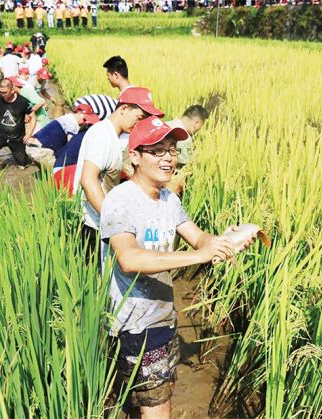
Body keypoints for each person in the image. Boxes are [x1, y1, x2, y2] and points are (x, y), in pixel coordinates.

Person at [100, 116, 248, 418]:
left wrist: (222, 242)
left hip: (163, 318)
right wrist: (199, 256)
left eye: (172, 149)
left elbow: (197, 237)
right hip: (135, 325)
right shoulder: (120, 200)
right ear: (136, 156)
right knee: (158, 410)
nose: (168, 157)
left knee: (143, 400)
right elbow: (129, 260)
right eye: (158, 150)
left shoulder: (169, 199)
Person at [73, 87, 163, 254]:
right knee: (95, 275)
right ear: (124, 109)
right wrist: (112, 220)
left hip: (99, 222)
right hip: (92, 224)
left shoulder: (112, 136)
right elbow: (88, 179)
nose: (139, 124)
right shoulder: (103, 134)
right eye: (139, 118)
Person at [28, 103, 99, 152]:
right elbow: (71, 146)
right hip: (40, 150)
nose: (84, 122)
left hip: (31, 145)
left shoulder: (66, 117)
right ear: (79, 113)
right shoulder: (72, 124)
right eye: (84, 119)